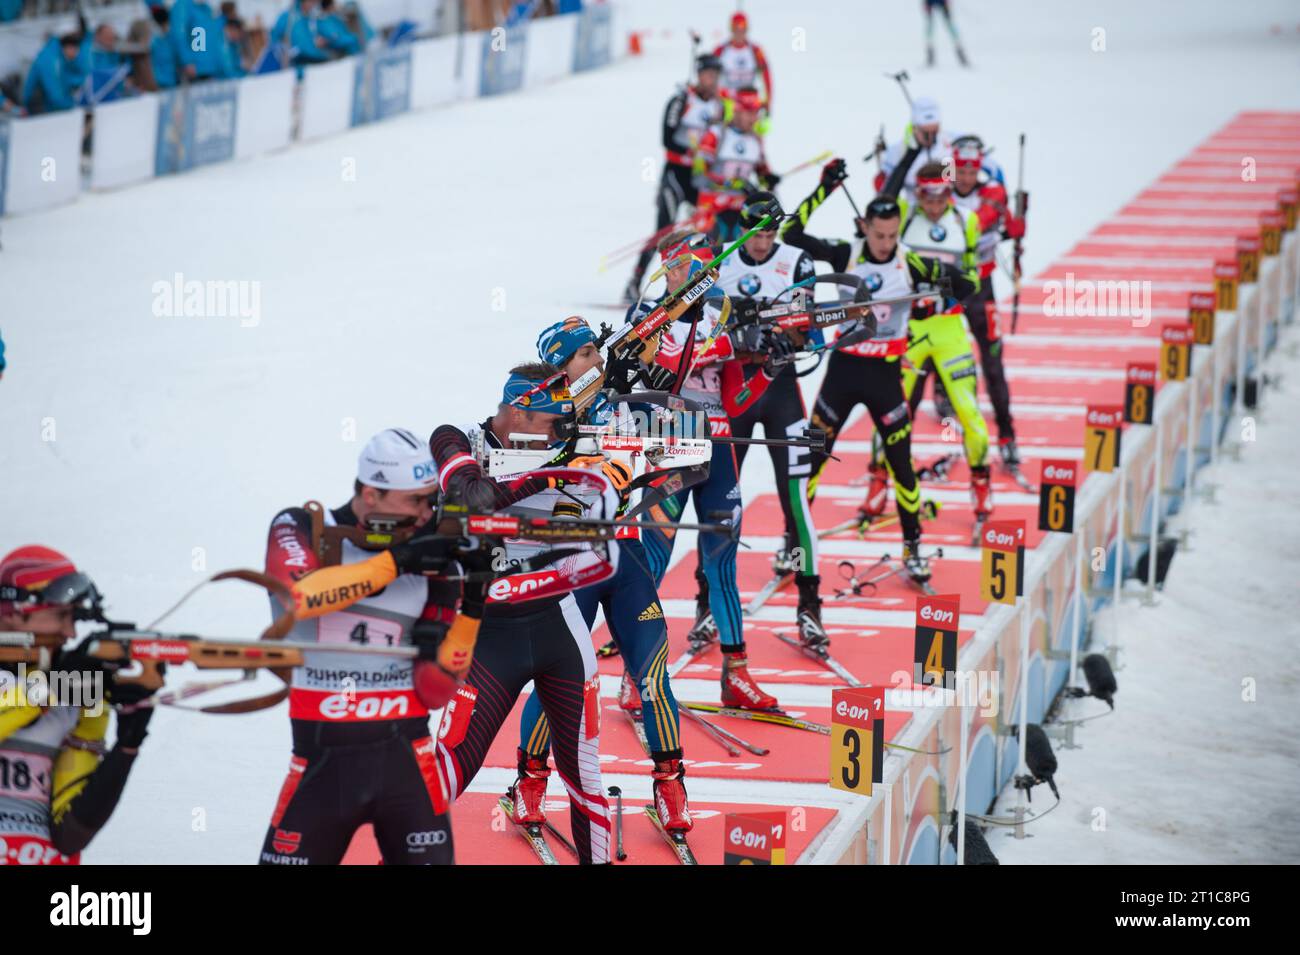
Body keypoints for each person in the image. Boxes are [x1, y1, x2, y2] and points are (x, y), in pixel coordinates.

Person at [428, 366, 616, 864]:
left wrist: (609, 478)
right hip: (488, 636)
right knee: (448, 770)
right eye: (549, 424)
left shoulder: (577, 457)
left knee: (586, 774)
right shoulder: (456, 439)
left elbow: (592, 541)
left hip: (557, 626)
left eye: (563, 426)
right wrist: (548, 475)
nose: (557, 435)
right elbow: (472, 500)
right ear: (515, 412)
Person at [512, 318, 693, 833]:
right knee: (558, 680)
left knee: (652, 674)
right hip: (570, 563)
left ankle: (670, 783)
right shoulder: (535, 418)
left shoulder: (618, 407)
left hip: (623, 557)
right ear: (561, 367)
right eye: (586, 353)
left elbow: (674, 427)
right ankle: (529, 779)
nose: (597, 360)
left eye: (597, 351)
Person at [257, 429, 468, 865]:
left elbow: (435, 691)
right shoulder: (301, 525)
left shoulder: (435, 553)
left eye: (431, 500)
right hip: (320, 767)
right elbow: (298, 597)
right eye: (415, 501)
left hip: (408, 765)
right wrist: (399, 561)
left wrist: (475, 604)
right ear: (371, 494)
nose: (427, 514)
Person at [782, 181, 978, 582]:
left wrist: (936, 301)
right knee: (811, 460)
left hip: (887, 377)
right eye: (878, 234)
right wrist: (823, 189)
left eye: (891, 235)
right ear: (865, 227)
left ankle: (913, 549)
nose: (885, 244)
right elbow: (791, 235)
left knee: (902, 465)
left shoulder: (912, 262)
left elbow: (969, 286)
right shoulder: (845, 253)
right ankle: (794, 548)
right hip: (843, 372)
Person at [639, 230, 780, 709]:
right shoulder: (648, 317)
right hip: (671, 443)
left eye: (696, 267)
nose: (687, 276)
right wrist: (723, 345)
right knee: (653, 562)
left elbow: (737, 398)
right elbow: (664, 371)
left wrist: (766, 367)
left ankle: (736, 674)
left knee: (722, 562)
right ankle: (637, 676)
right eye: (677, 267)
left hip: (719, 446)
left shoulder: (726, 311)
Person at [704, 190, 826, 647]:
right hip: (731, 393)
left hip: (779, 392)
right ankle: (706, 605)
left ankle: (810, 607)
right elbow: (699, 326)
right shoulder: (719, 258)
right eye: (755, 235)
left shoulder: (797, 261)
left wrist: (786, 336)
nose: (762, 244)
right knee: (718, 504)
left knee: (795, 500)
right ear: (742, 229)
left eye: (771, 234)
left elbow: (807, 326)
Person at [0, 546, 157, 865]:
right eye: (61, 615)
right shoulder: (58, 685)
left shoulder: (72, 692)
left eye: (73, 618)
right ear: (14, 610)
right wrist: (54, 685)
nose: (70, 632)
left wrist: (127, 746)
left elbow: (70, 834)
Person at [889, 160, 995, 524]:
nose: (933, 204)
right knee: (889, 411)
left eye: (940, 195)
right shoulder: (903, 215)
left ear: (950, 193)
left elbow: (977, 275)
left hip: (949, 329)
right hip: (911, 328)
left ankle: (981, 488)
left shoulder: (966, 220)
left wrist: (954, 290)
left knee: (970, 415)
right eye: (925, 196)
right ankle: (877, 484)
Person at [624, 53, 725, 304]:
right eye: (708, 75)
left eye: (716, 76)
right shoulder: (681, 100)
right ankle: (635, 282)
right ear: (699, 74)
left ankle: (707, 281)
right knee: (663, 233)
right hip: (675, 176)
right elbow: (667, 139)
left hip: (699, 179)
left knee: (711, 229)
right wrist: (693, 153)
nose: (712, 80)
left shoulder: (719, 106)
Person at [950, 136, 1026, 468]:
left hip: (982, 289)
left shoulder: (991, 195)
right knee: (941, 355)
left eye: (972, 170)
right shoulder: (940, 196)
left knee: (993, 362)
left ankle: (1007, 433)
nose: (966, 176)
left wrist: (1015, 224)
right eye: (961, 170)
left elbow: (1009, 227)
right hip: (950, 290)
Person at [694, 87, 777, 243]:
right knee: (711, 258)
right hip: (713, 211)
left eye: (756, 113)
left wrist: (769, 180)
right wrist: (735, 183)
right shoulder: (716, 134)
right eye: (749, 112)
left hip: (740, 213)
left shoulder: (756, 140)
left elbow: (762, 174)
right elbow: (699, 176)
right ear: (737, 111)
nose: (754, 119)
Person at [714, 11, 771, 113]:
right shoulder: (721, 50)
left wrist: (768, 101)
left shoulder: (755, 50)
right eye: (736, 28)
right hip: (728, 100)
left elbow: (766, 76)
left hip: (749, 100)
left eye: (742, 28)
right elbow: (710, 75)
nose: (739, 32)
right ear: (731, 29)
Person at [21, 33, 85, 114]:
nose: (76, 54)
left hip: (51, 105)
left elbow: (69, 80)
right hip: (37, 109)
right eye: (76, 50)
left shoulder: (61, 58)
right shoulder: (51, 60)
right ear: (69, 48)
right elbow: (55, 96)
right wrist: (73, 105)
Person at [271, 0, 332, 66]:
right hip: (294, 65)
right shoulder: (287, 18)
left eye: (315, 2)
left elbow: (326, 36)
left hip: (316, 62)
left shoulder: (315, 18)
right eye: (312, 1)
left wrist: (324, 42)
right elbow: (274, 41)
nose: (313, 4)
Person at [923, 0, 968, 67]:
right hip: (930, 3)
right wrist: (926, 3)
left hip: (942, 3)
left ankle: (961, 53)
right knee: (930, 28)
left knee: (950, 27)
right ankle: (930, 56)